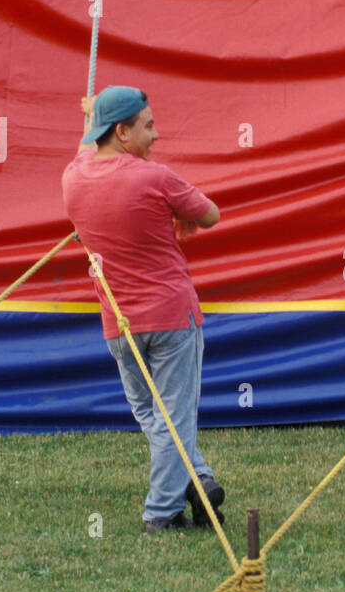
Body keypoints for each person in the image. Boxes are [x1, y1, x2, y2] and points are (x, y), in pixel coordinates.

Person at [62, 86, 226, 533]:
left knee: (153, 417)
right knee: (173, 418)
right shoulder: (156, 177)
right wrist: (179, 213)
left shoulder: (72, 177)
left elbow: (84, 150)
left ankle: (199, 477)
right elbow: (211, 215)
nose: (156, 134)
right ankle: (162, 511)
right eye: (148, 125)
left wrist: (89, 113)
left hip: (119, 326)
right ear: (122, 130)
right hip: (173, 318)